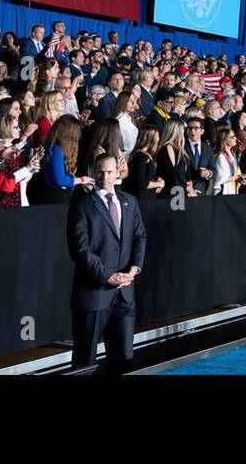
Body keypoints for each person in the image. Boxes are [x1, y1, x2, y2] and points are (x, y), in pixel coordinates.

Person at [66, 153, 146, 374]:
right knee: (85, 361)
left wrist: (134, 269)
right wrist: (107, 276)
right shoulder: (81, 206)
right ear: (93, 172)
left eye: (109, 172)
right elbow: (80, 250)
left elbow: (140, 236)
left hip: (125, 294)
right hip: (94, 294)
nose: (104, 177)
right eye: (100, 172)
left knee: (124, 360)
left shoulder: (130, 202)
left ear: (118, 172)